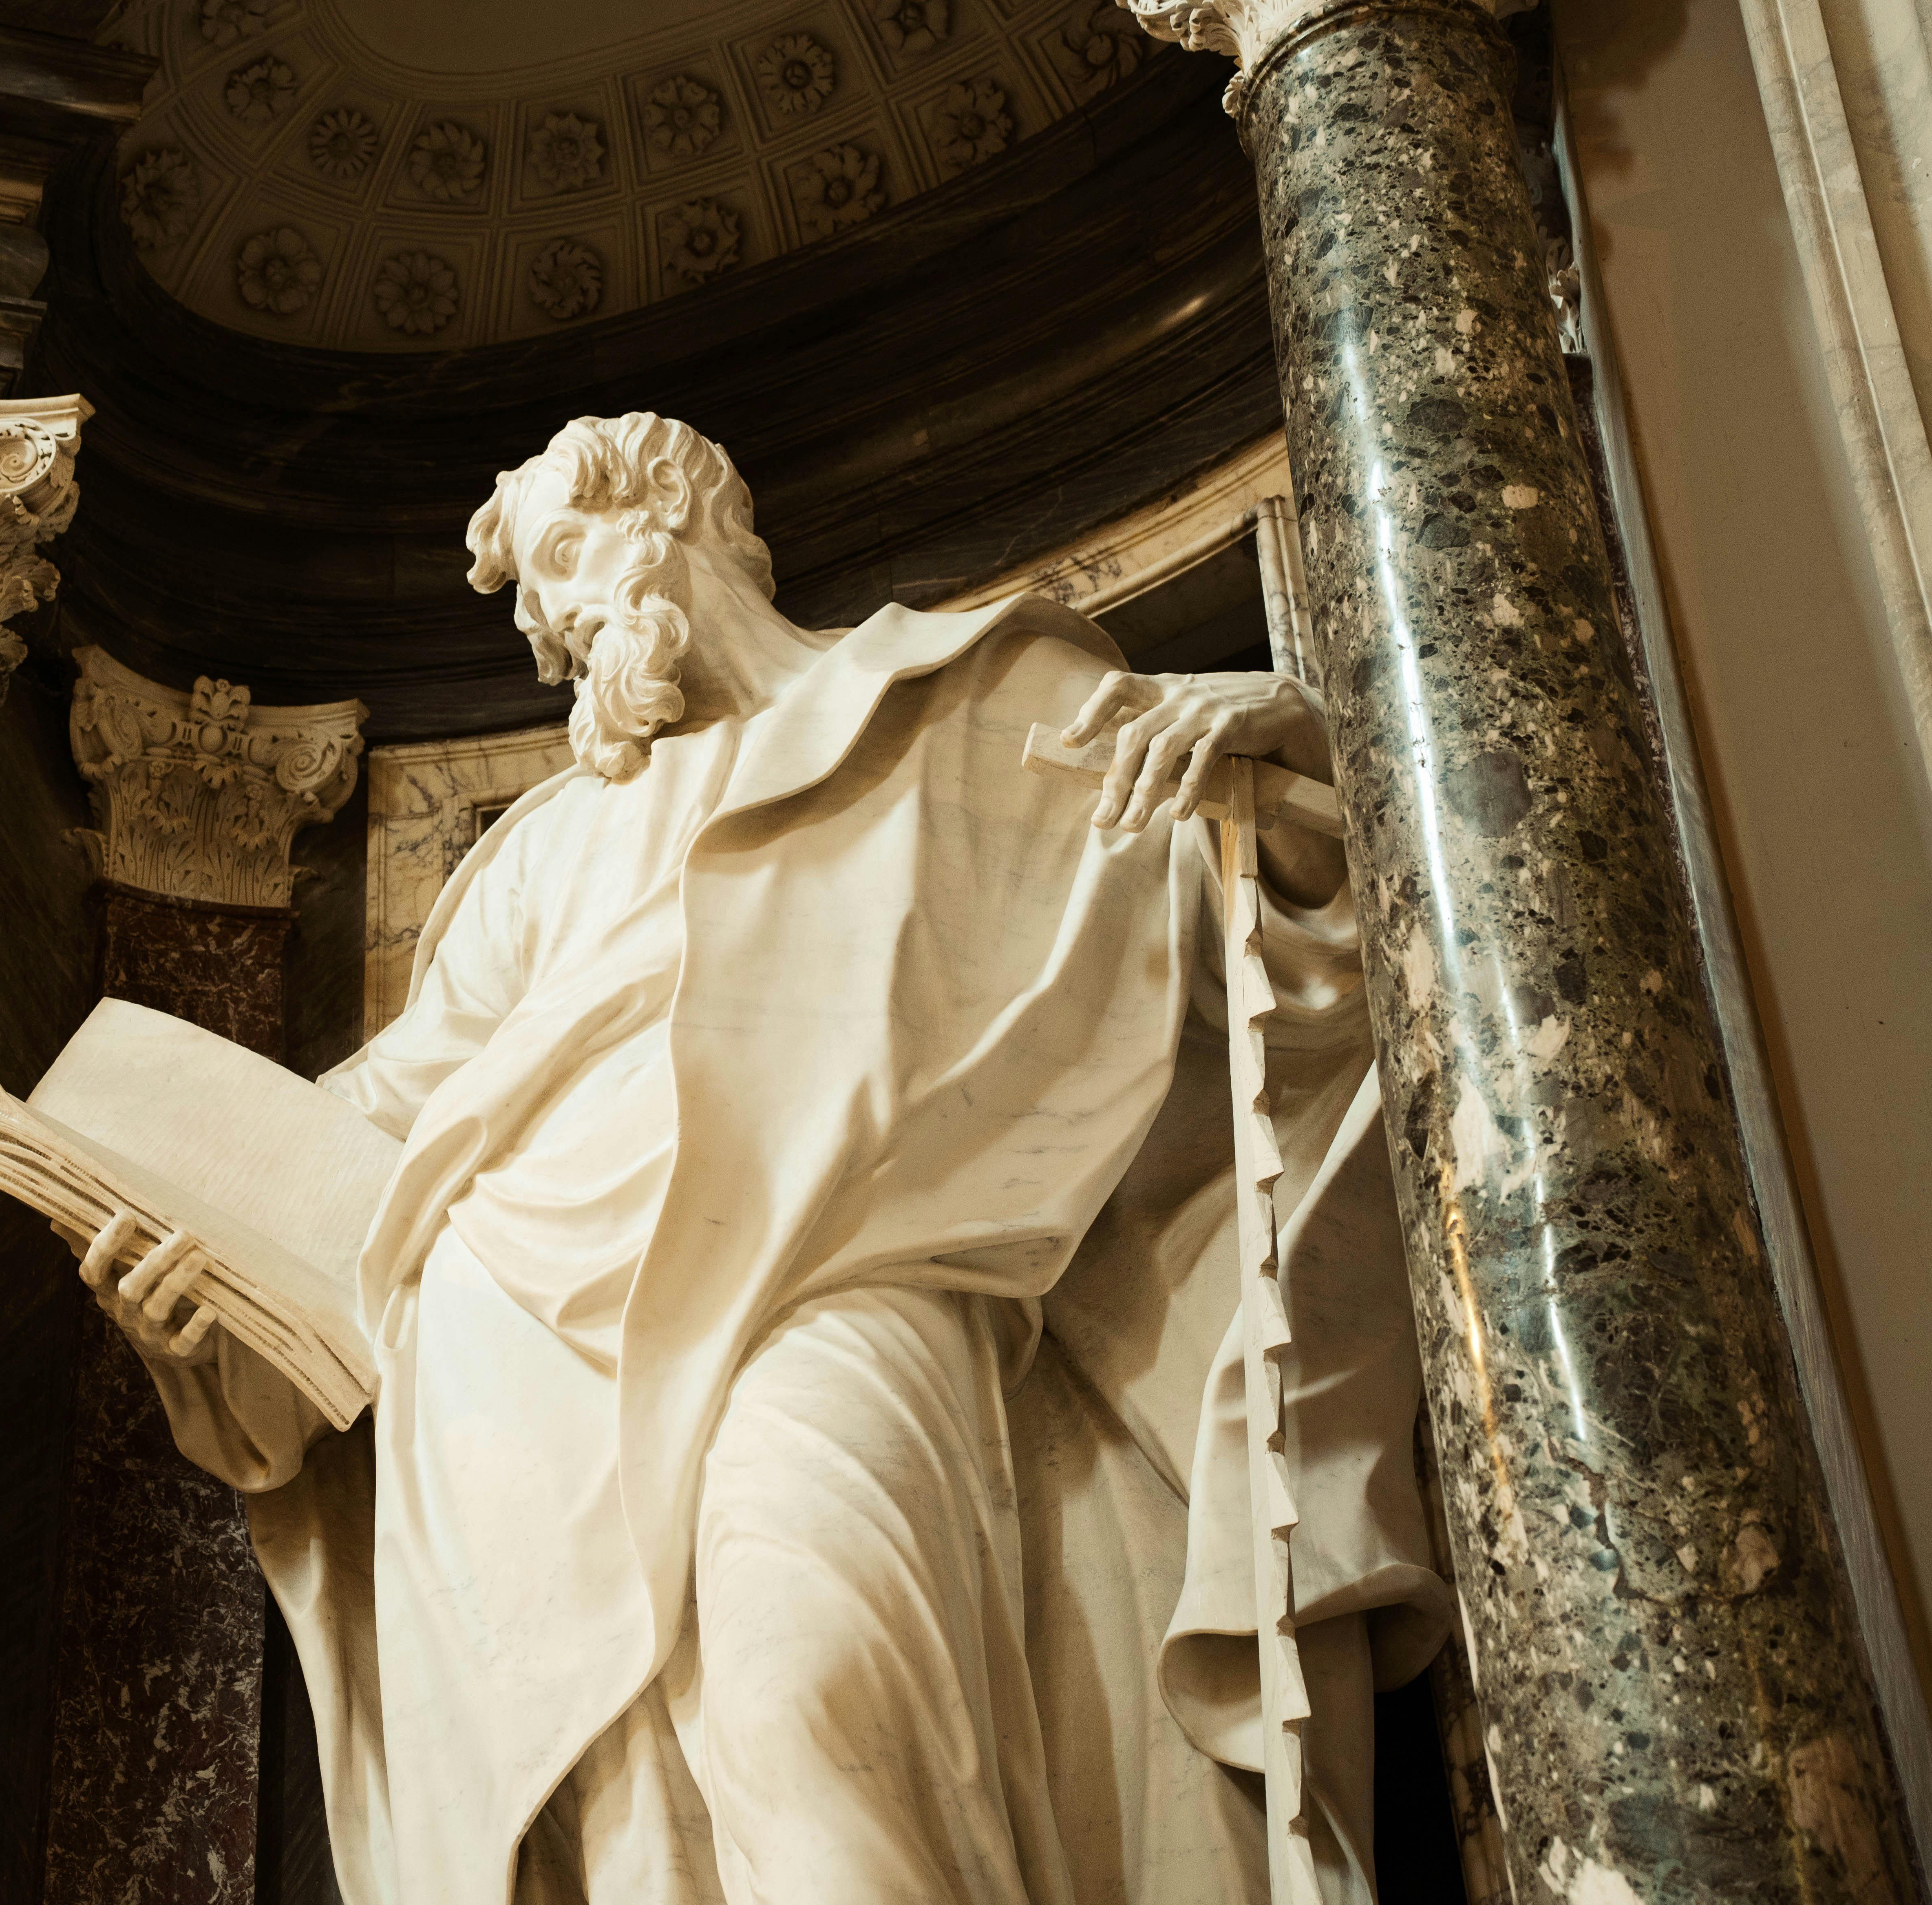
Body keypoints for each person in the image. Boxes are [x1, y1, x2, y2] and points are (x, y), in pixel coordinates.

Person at [82, 414, 1447, 1904]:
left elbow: (1283, 991)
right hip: (511, 1362)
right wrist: (199, 1273)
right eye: (538, 624)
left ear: (678, 516)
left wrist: (1283, 791)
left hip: (840, 1283)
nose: (558, 636)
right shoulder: (537, 855)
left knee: (816, 1691)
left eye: (565, 567)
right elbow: (374, 1119)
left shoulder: (970, 700)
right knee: (632, 1848)